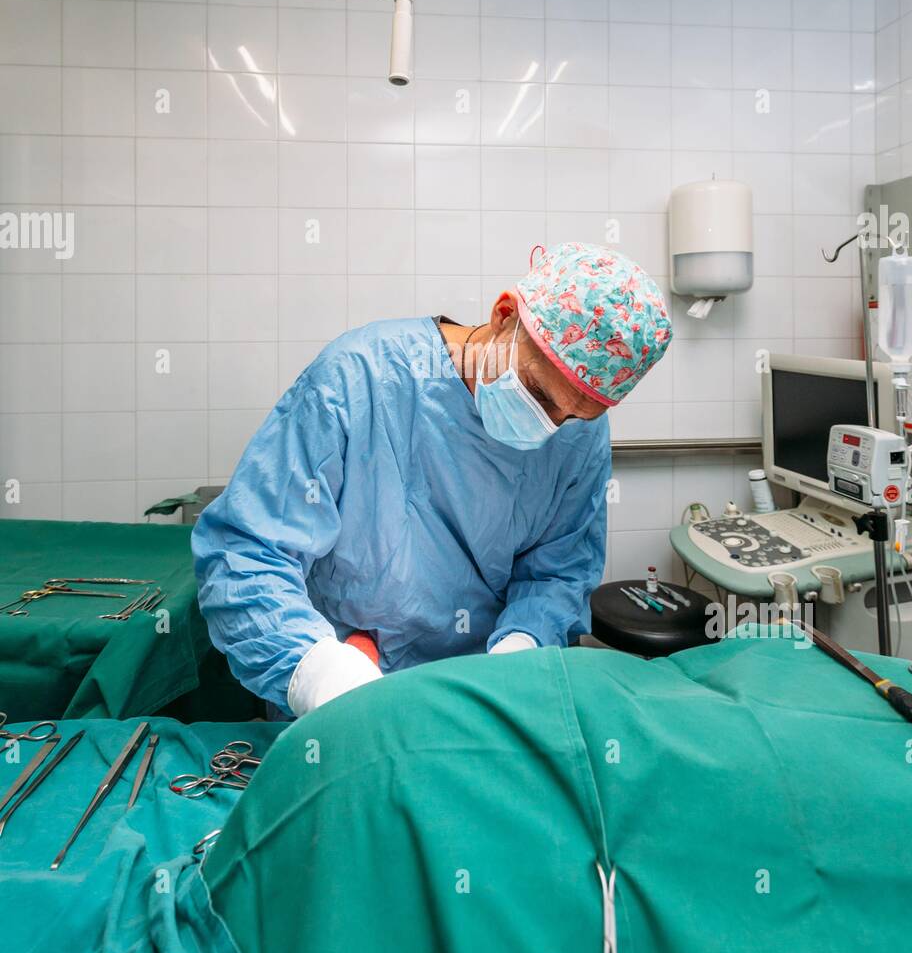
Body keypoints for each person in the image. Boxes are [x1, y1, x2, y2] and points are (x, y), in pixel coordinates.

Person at [192, 242, 673, 715]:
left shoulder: (579, 432)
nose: (550, 425)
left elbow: (560, 569)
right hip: (347, 683)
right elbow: (247, 552)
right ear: (505, 315)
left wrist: (522, 650)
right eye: (538, 392)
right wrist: (317, 671)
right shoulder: (362, 377)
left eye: (575, 416)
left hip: (480, 704)